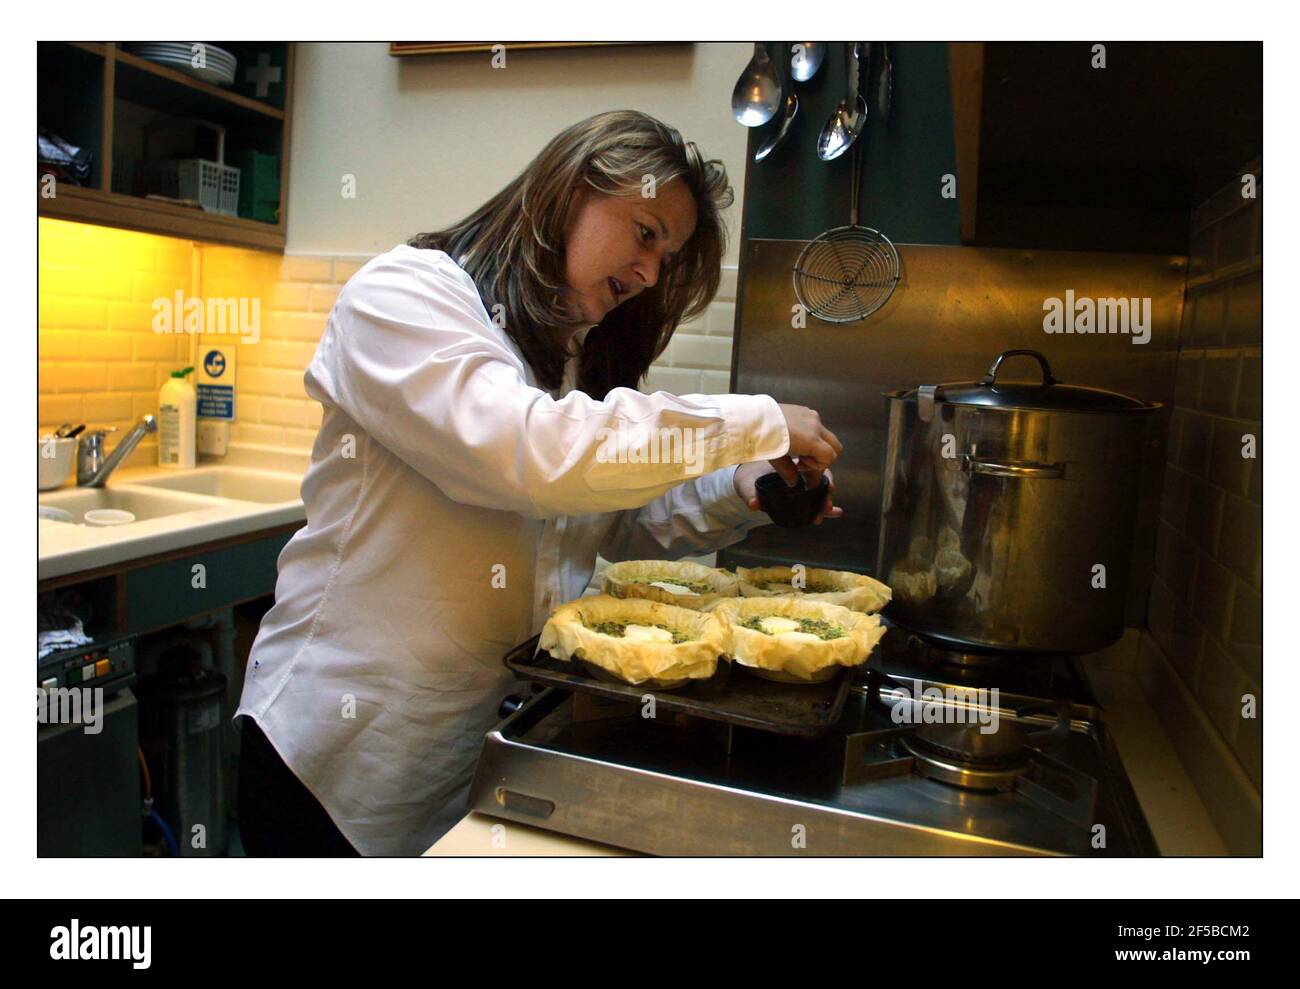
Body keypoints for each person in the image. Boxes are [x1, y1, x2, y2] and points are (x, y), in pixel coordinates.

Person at [234, 109, 843, 856]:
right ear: (568, 190)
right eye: (645, 232)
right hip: (339, 760)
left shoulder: (572, 360)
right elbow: (529, 454)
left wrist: (743, 485)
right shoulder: (404, 294)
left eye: (667, 253)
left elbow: (614, 516)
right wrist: (754, 421)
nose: (652, 272)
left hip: (477, 755)